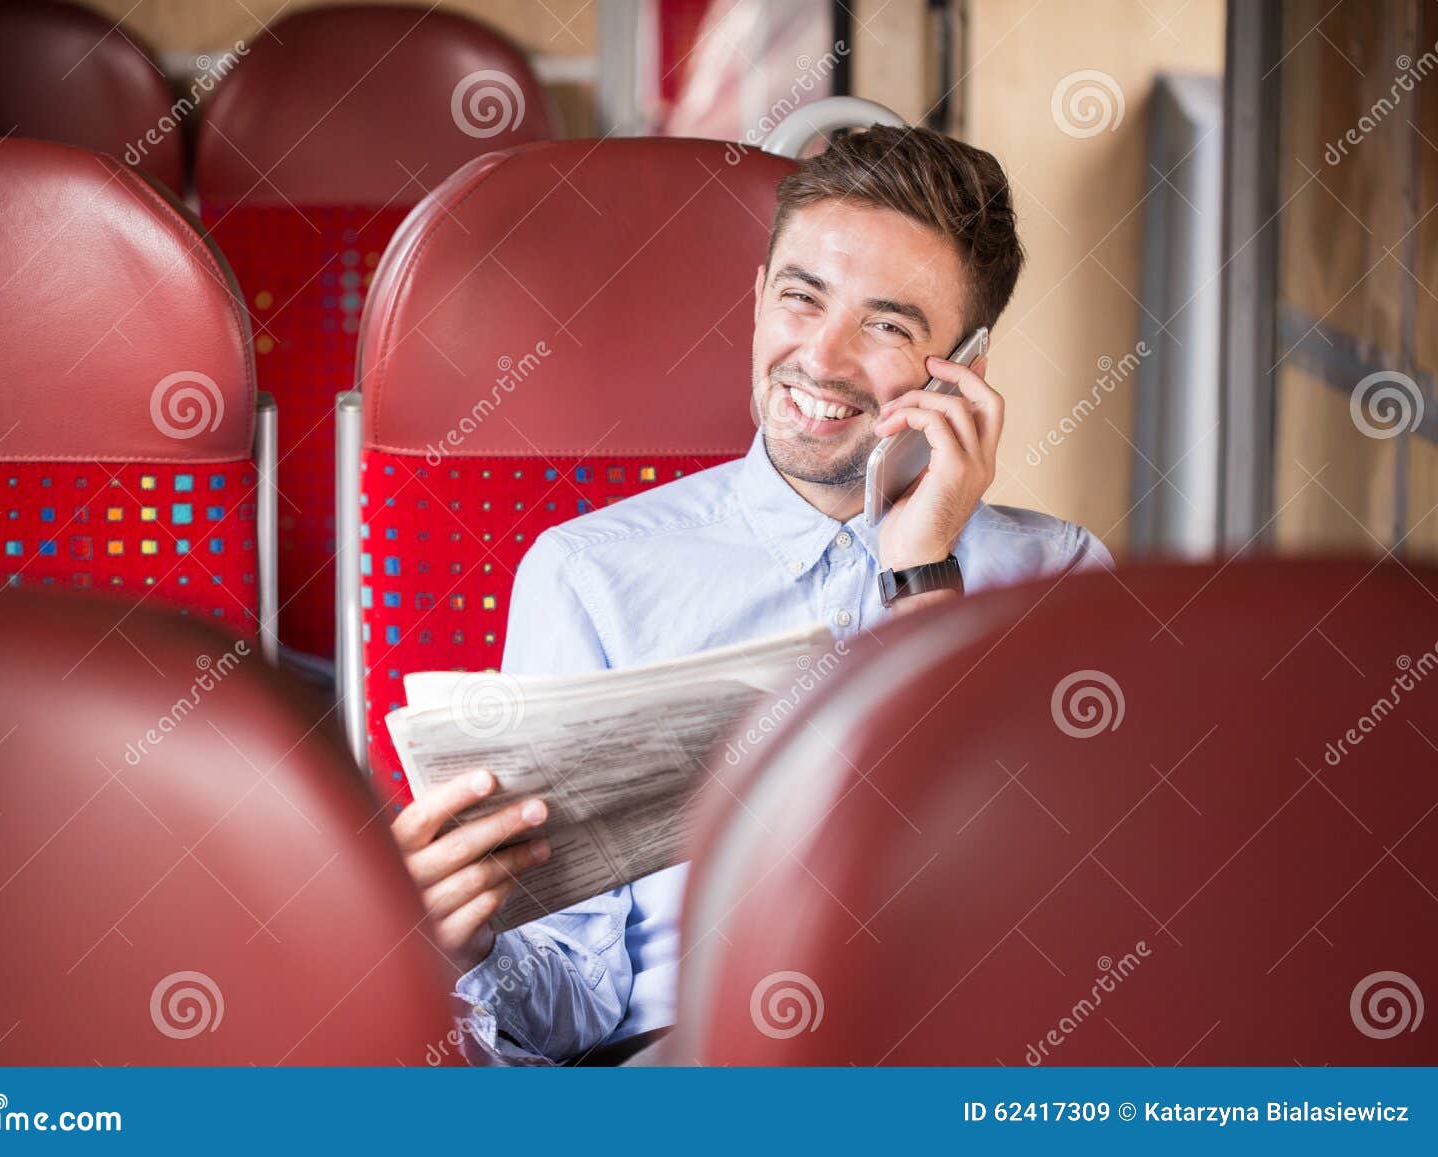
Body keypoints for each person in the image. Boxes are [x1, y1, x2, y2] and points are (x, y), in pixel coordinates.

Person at [391, 124, 1112, 1064]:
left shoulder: (1056, 575)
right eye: (800, 299)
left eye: (888, 325)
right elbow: (571, 997)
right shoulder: (592, 575)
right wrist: (466, 946)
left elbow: (1045, 922)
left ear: (965, 369)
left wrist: (924, 576)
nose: (822, 357)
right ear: (759, 302)